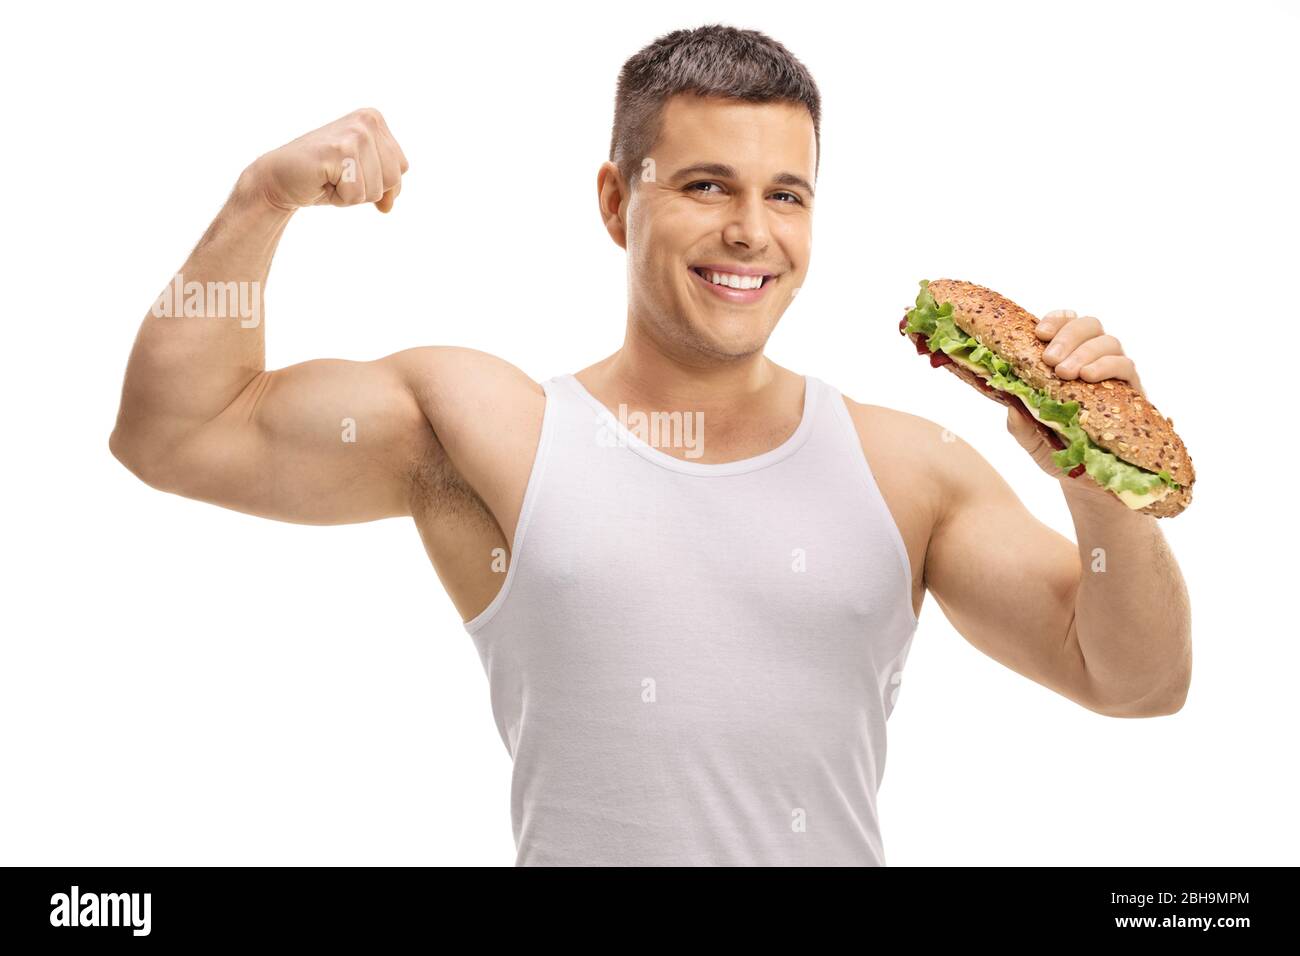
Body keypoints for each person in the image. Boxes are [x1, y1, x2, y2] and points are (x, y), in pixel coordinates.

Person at [109, 24, 1191, 866]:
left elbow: (1134, 679)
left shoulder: (908, 467)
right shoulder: (490, 429)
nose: (750, 233)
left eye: (786, 195)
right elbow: (176, 433)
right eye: (707, 184)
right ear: (617, 200)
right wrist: (261, 199)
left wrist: (1093, 472)